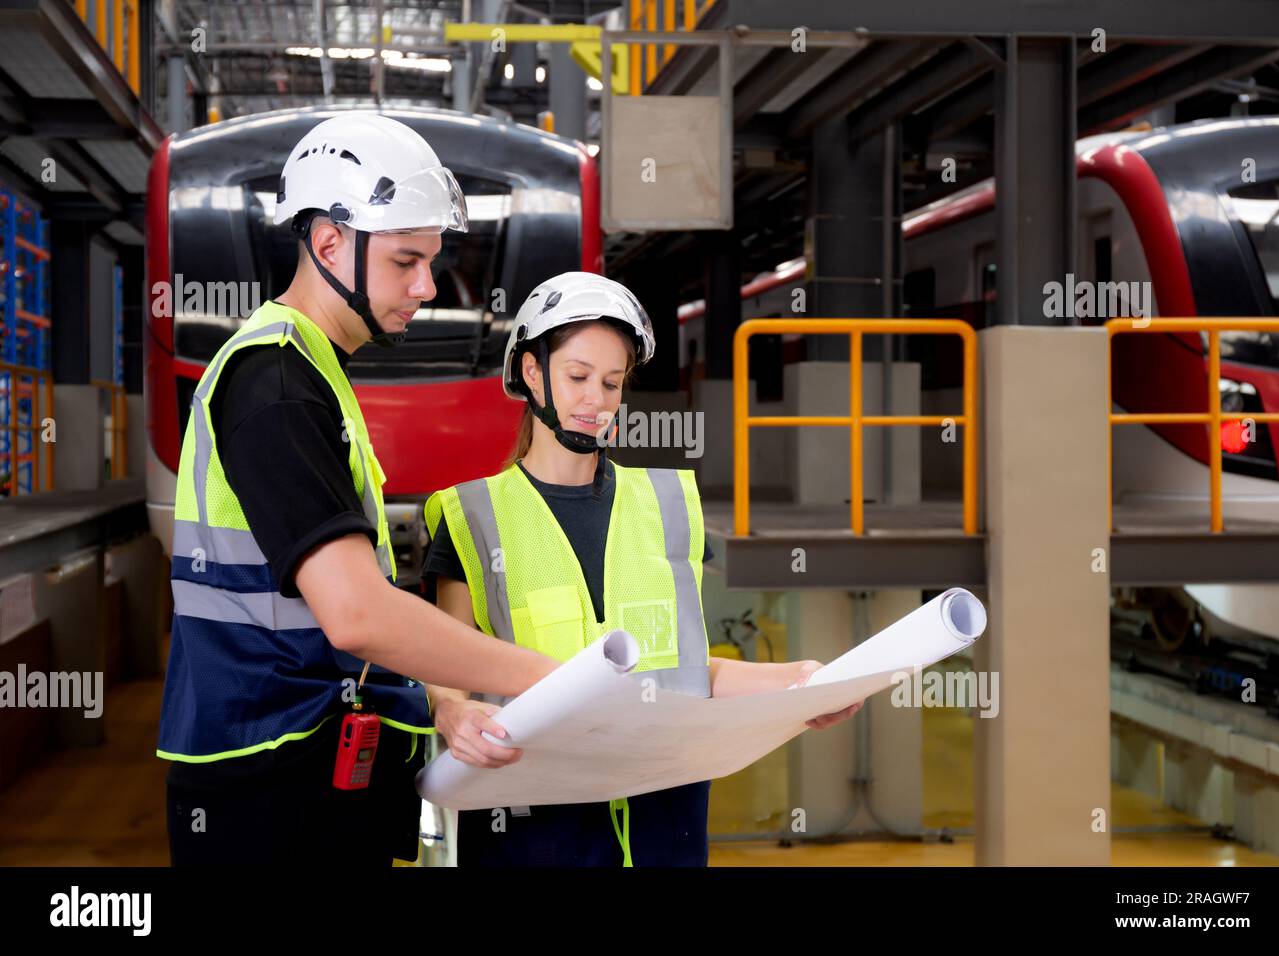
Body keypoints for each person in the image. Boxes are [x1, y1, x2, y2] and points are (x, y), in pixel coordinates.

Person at [156, 113, 557, 868]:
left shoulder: (313, 369)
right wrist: (552, 676)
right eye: (407, 260)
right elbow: (356, 615)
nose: (427, 286)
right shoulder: (274, 386)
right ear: (330, 242)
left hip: (305, 768)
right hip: (270, 785)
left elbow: (350, 606)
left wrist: (442, 698)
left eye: (430, 261)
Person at [421, 272, 864, 867]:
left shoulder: (668, 506)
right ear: (532, 373)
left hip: (664, 825)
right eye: (577, 377)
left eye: (611, 382)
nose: (595, 400)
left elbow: (687, 672)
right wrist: (447, 710)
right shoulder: (473, 515)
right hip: (532, 830)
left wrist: (801, 682)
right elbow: (446, 663)